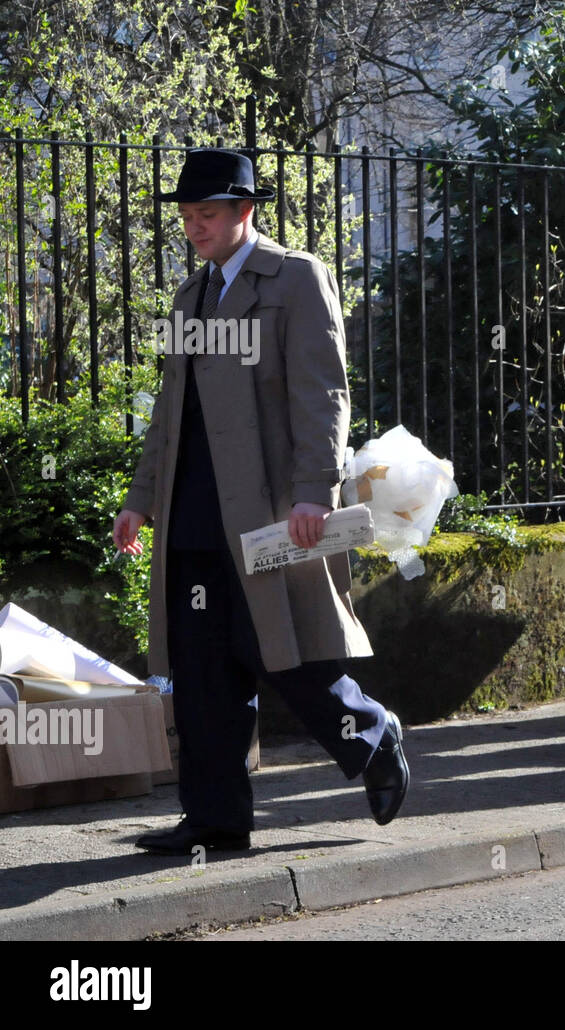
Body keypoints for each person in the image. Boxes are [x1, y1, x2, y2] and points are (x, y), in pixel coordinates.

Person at [112, 148, 409, 855]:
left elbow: (323, 393)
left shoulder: (296, 276)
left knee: (284, 651)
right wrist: (140, 500)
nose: (194, 227)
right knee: (202, 667)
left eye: (207, 214)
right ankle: (215, 818)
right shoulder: (189, 297)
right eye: (187, 216)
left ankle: (372, 735)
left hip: (270, 509)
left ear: (244, 210)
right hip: (192, 510)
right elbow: (169, 415)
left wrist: (314, 491)